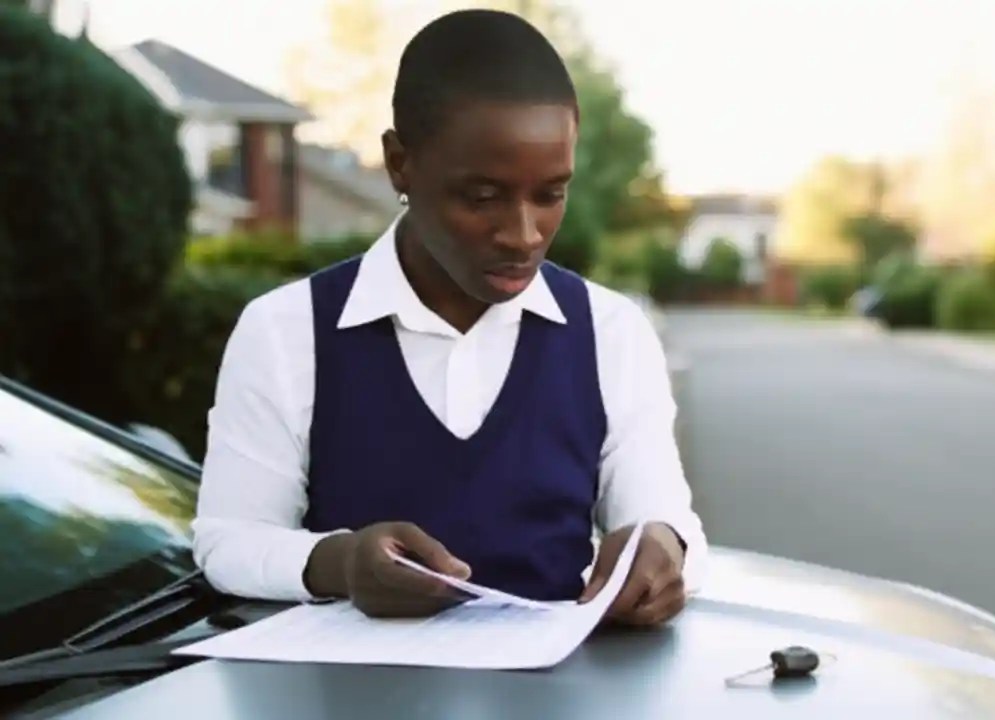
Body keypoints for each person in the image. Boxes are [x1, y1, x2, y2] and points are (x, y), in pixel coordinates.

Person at [192, 9, 706, 627]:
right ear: (399, 163)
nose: (523, 235)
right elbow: (228, 542)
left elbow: (668, 522)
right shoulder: (285, 332)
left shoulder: (611, 333)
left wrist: (664, 548)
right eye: (482, 196)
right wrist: (344, 562)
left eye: (551, 194)